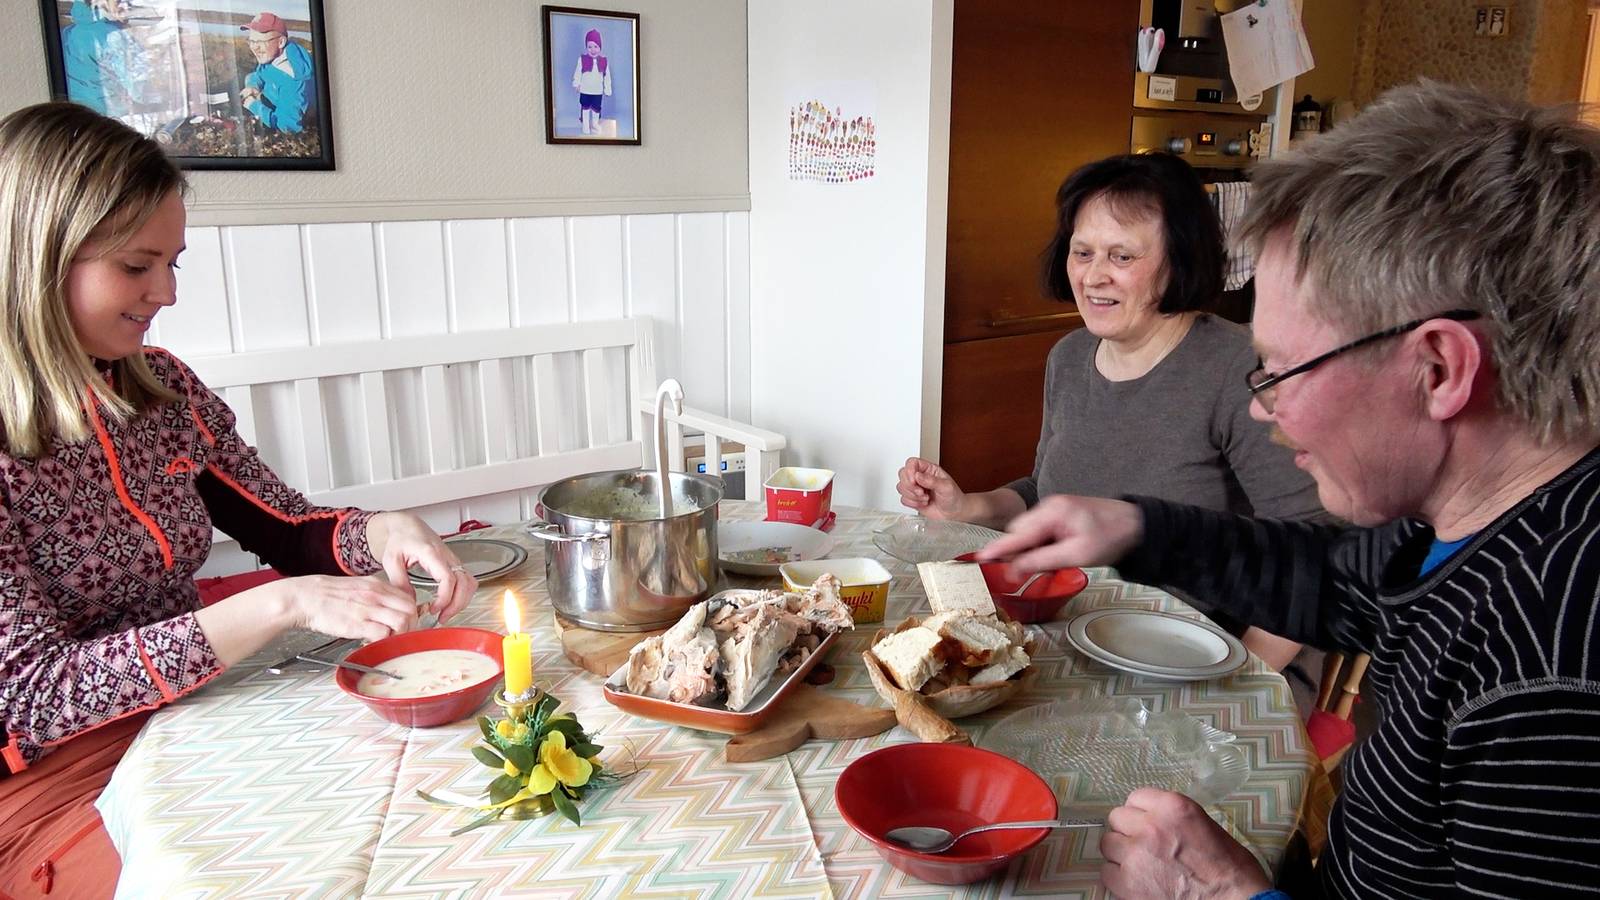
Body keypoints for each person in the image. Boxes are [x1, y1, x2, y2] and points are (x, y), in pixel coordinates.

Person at [980, 80, 1600, 898]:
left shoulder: (1548, 683)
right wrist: (1135, 524)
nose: (1262, 405)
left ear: (1440, 368)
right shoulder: (1462, 524)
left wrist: (1234, 892)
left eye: (1284, 370)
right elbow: (1335, 577)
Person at [0, 103, 475, 898]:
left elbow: (286, 526)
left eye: (173, 263)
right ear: (39, 255)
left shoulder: (162, 389)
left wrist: (379, 529)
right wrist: (278, 608)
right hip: (55, 781)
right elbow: (32, 699)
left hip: (191, 716)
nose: (166, 293)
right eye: (136, 265)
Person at [899, 152, 1325, 668]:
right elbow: (1045, 489)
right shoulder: (1070, 356)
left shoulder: (1241, 370)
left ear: (1179, 258)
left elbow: (1311, 553)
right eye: (1083, 253)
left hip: (1206, 657)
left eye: (1122, 257)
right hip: (1074, 634)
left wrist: (1244, 682)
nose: (1094, 276)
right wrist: (965, 507)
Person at [60, 0, 147, 117]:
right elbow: (140, 88)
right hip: (110, 112)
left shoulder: (66, 33)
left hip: (77, 112)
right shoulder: (113, 36)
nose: (126, 5)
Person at [238, 11, 316, 134]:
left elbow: (288, 126)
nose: (254, 47)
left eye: (260, 42)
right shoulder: (274, 54)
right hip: (272, 103)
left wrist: (253, 106)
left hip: (288, 123)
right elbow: (259, 73)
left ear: (281, 42)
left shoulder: (295, 80)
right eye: (251, 41)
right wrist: (253, 86)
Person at [571, 28, 612, 136]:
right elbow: (578, 72)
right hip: (585, 90)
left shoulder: (604, 61)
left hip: (597, 91)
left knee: (596, 109)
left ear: (600, 47)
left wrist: (607, 89)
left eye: (595, 46)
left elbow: (607, 76)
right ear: (586, 47)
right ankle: (585, 126)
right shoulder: (582, 59)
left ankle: (594, 124)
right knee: (585, 108)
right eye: (589, 47)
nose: (593, 50)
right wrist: (576, 83)